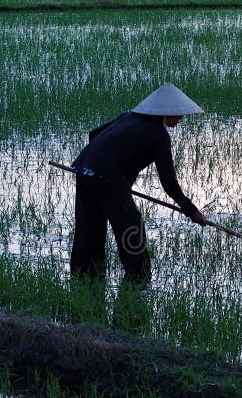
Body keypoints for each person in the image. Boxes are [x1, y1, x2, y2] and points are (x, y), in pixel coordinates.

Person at [69, 83, 207, 288]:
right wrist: (191, 210)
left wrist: (117, 168)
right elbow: (168, 182)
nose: (180, 119)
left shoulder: (128, 117)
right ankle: (139, 278)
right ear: (165, 112)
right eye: (178, 114)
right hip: (108, 179)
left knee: (90, 229)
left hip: (83, 169)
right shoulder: (159, 136)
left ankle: (84, 278)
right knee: (131, 226)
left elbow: (94, 134)